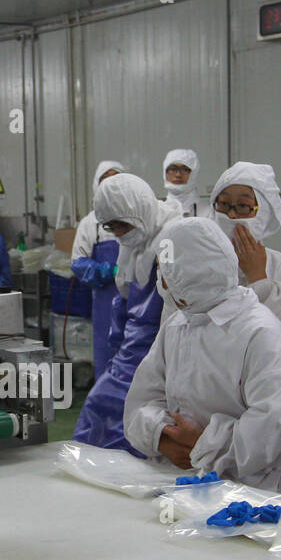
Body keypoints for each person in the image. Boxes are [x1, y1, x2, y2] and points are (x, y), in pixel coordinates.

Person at [124, 216, 281, 490]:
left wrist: (204, 444)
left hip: (247, 486)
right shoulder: (178, 325)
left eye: (162, 269)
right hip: (176, 473)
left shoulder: (258, 332)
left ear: (185, 277)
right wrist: (162, 437)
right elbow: (141, 402)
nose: (160, 279)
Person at [72, 172, 183, 453]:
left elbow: (176, 319)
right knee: (100, 407)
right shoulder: (135, 243)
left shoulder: (174, 241)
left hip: (161, 356)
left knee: (132, 420)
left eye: (122, 225)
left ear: (139, 210)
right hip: (132, 353)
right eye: (111, 227)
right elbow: (125, 301)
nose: (119, 234)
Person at [206, 162, 281, 333]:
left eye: (243, 206)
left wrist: (259, 279)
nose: (231, 215)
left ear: (264, 213)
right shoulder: (198, 262)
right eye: (223, 204)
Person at [70, 160, 127, 379]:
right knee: (106, 358)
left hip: (137, 304)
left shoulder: (137, 215)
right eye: (106, 180)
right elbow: (78, 263)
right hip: (105, 305)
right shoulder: (89, 223)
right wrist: (109, 271)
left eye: (116, 180)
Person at [162, 148, 203, 218]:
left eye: (185, 170)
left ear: (194, 173)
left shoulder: (208, 212)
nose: (178, 175)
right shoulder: (157, 213)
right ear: (165, 173)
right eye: (173, 169)